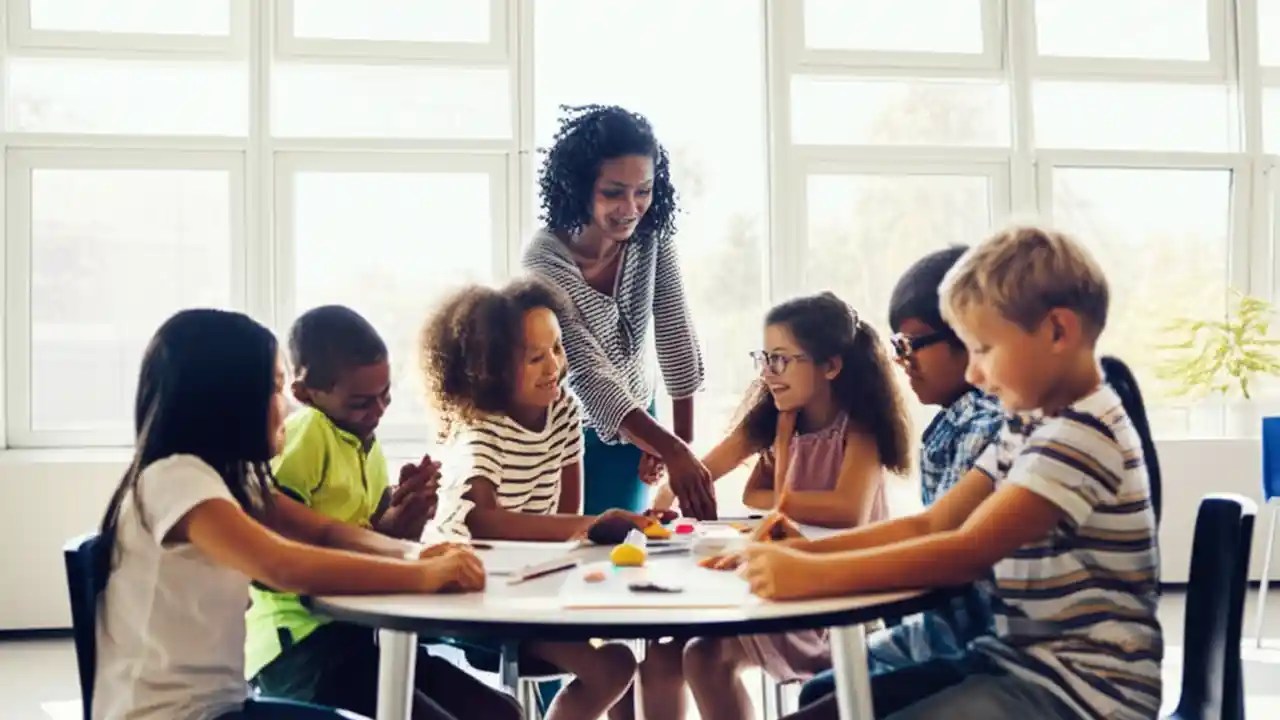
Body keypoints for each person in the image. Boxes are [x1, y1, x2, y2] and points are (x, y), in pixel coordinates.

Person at [771, 226, 1162, 719]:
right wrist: (803, 552)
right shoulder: (1031, 423)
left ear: (1057, 332)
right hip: (1013, 663)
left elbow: (966, 553)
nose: (974, 374)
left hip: (1083, 694)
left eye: (983, 349)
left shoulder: (1079, 434)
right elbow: (933, 524)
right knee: (830, 707)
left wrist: (807, 575)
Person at [92, 309, 511, 720]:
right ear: (227, 402)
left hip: (219, 707)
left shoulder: (233, 482)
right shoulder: (177, 480)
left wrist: (415, 554)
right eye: (276, 389)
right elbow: (283, 566)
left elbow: (326, 531)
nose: (290, 407)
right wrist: (423, 575)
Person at [421, 278, 644, 720]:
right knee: (613, 667)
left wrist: (592, 531)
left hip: (530, 586)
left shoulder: (563, 411)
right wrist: (589, 525)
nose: (553, 366)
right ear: (494, 369)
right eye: (535, 357)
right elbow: (484, 522)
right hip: (474, 596)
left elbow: (568, 517)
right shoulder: (481, 425)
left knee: (624, 657)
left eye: (557, 348)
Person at [523, 104, 715, 519]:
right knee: (575, 540)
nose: (630, 208)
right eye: (613, 192)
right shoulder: (543, 261)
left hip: (641, 423)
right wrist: (670, 447)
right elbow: (585, 371)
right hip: (565, 430)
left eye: (643, 191)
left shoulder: (651, 237)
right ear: (579, 187)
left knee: (627, 546)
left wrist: (678, 442)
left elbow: (675, 333)